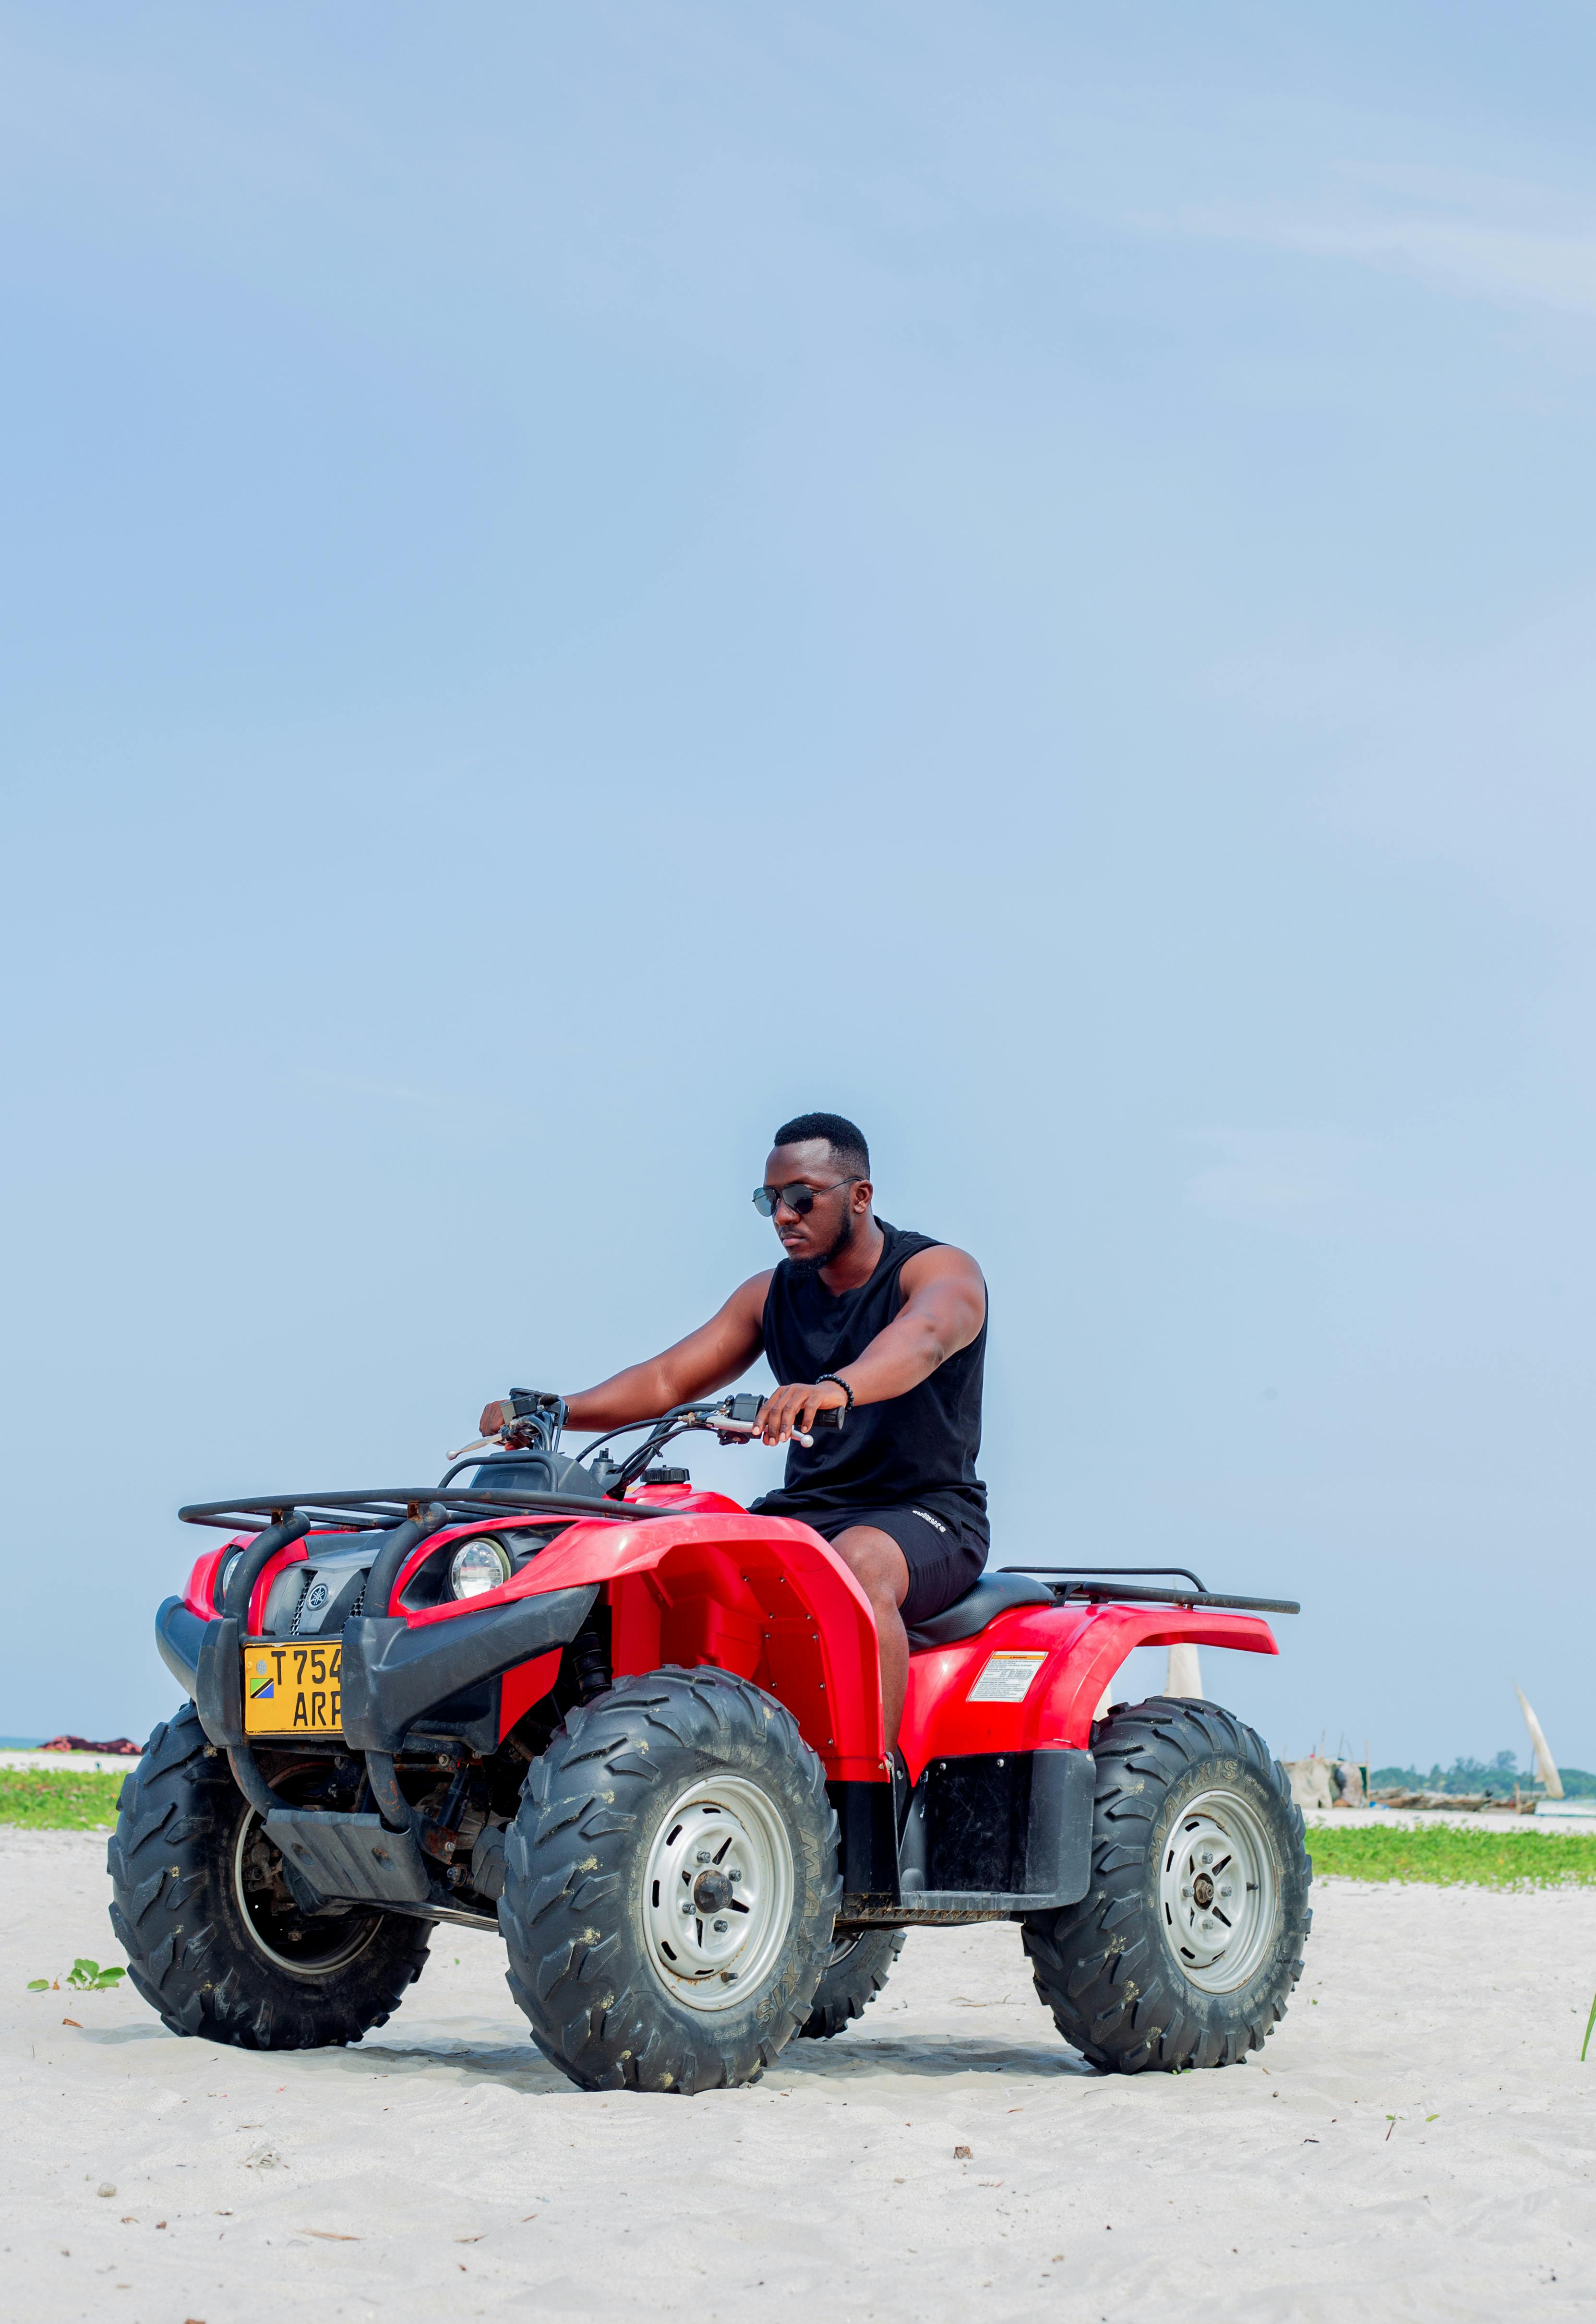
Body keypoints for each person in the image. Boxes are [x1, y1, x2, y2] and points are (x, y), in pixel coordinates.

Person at [476, 1111, 988, 1747]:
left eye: (800, 1197)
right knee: (684, 1567)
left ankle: (870, 1794)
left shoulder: (937, 1271)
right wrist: (556, 1409)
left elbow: (926, 1339)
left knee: (857, 1566)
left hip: (924, 1515)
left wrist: (833, 1388)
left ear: (860, 1196)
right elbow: (667, 1380)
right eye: (768, 1201)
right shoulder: (769, 1295)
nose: (782, 1216)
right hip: (805, 1513)